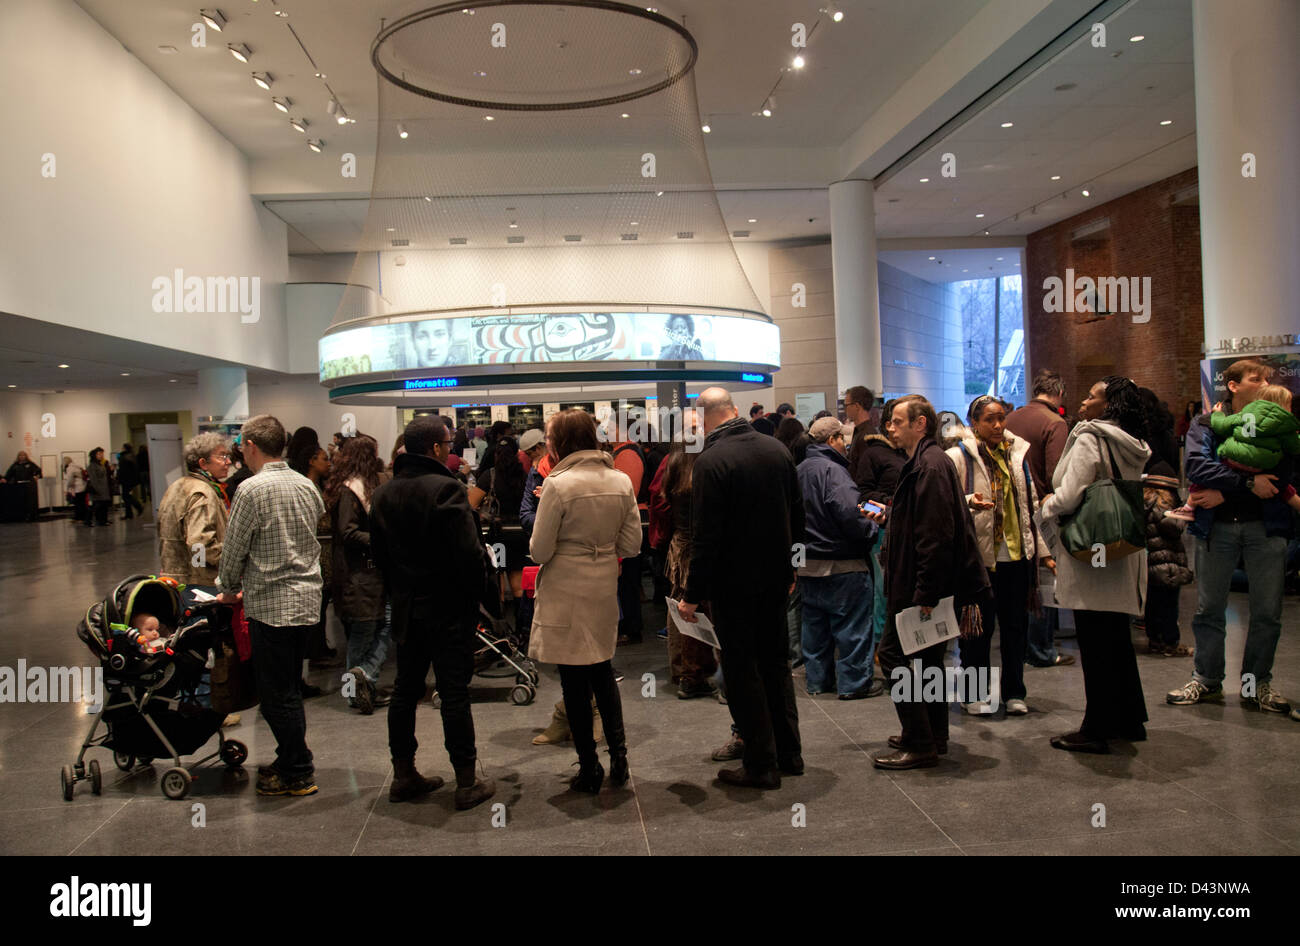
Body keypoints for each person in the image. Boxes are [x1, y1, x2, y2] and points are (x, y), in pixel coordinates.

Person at [677, 387, 804, 789]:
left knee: (742, 671)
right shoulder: (776, 450)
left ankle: (761, 764)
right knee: (776, 665)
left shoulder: (712, 461)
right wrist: (792, 571)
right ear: (734, 410)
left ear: (703, 417)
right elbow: (797, 517)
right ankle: (790, 754)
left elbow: (706, 538)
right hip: (775, 580)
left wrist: (691, 595)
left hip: (733, 585)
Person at [369, 415, 496, 808]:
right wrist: (482, 599)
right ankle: (466, 781)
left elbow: (380, 556)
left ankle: (403, 773)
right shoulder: (447, 489)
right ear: (436, 449)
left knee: (406, 691)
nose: (451, 448)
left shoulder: (383, 495)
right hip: (448, 609)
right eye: (447, 443)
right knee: (454, 692)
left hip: (407, 607)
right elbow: (469, 555)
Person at [871, 395, 991, 769]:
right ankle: (932, 735)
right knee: (927, 660)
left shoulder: (929, 465)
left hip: (918, 585)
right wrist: (890, 516)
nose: (890, 427)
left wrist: (925, 591)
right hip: (922, 581)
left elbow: (936, 534)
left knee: (895, 656)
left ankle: (920, 740)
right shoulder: (927, 462)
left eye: (896, 421)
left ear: (920, 423)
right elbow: (923, 523)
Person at [1168, 359, 1293, 714]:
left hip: (1266, 527)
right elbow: (1197, 466)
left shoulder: (1276, 424)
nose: (1265, 383)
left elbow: (1283, 471)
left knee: (1267, 612)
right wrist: (1250, 483)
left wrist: (1227, 491)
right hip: (1216, 527)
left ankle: (1256, 686)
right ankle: (1206, 681)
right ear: (1234, 386)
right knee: (1208, 609)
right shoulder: (1207, 423)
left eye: (1268, 378)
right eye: (1257, 379)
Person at [528, 409, 641, 792]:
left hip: (565, 589)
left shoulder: (558, 485)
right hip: (603, 587)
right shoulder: (621, 480)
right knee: (603, 672)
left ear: (559, 442)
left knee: (574, 682)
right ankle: (620, 758)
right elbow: (631, 544)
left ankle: (590, 767)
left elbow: (540, 551)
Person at [1040, 377, 1152, 753]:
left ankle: (1097, 728)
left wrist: (1046, 507)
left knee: (1096, 645)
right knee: (1117, 640)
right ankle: (1129, 719)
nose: (1084, 401)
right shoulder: (1134, 443)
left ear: (1110, 405)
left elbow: (1070, 495)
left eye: (1092, 395)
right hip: (1121, 551)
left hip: (1092, 553)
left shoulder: (1091, 437)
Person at [216, 415, 325, 796]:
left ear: (250, 446)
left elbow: (234, 549)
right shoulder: (306, 485)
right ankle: (289, 759)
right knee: (289, 687)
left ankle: (298, 768)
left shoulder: (250, 490)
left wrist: (227, 587)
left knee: (277, 694)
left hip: (272, 604)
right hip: (307, 600)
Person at [944, 396, 1053, 717]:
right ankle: (974, 693)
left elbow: (1030, 506)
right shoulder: (958, 456)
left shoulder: (1017, 455)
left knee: (1015, 627)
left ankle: (1015, 692)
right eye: (989, 419)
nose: (997, 425)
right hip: (979, 560)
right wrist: (968, 501)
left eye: (1001, 418)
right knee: (977, 629)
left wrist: (1044, 552)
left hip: (1017, 557)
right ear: (974, 422)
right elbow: (947, 501)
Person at [797, 417, 880, 699]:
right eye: (842, 439)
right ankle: (854, 684)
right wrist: (872, 528)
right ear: (832, 440)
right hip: (843, 564)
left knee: (814, 631)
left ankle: (817, 682)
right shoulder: (835, 472)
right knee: (852, 629)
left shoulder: (797, 471)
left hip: (806, 565)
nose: (845, 444)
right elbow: (849, 514)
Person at [1006, 369, 1075, 669]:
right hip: (1041, 511)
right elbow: (1055, 475)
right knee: (1044, 581)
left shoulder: (1009, 419)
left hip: (1010, 508)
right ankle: (1041, 649)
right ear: (1059, 394)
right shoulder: (1055, 423)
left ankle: (1021, 645)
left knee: (1022, 581)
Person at [652, 408, 720, 699]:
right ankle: (724, 679)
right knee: (716, 612)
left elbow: (659, 503)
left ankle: (687, 674)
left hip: (679, 550)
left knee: (682, 612)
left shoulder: (672, 466)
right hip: (709, 549)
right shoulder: (711, 466)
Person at [326, 434, 390, 716]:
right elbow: (348, 531)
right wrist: (381, 540)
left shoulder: (356, 486)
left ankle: (364, 676)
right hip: (360, 575)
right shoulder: (351, 490)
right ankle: (357, 688)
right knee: (365, 631)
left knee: (383, 625)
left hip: (368, 574)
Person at [1168, 384, 1300, 520]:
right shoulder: (1286, 425)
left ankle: (1188, 508)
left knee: (1208, 478)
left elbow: (1222, 425)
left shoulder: (1247, 415)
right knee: (1277, 484)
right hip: (1264, 463)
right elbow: (1294, 447)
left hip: (1234, 457)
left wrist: (1217, 414)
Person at [157, 433, 231, 585]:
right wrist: (231, 559)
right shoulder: (202, 493)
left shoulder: (177, 486)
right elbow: (199, 543)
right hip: (198, 583)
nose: (228, 462)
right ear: (203, 463)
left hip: (174, 577)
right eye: (222, 456)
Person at [1142, 457, 1194, 656]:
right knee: (1169, 606)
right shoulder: (1163, 504)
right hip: (1168, 565)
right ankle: (1171, 643)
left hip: (1150, 563)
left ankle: (1154, 640)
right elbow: (1172, 528)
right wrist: (1185, 513)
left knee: (1152, 605)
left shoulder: (1143, 501)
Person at [843, 386, 878, 475]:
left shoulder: (867, 435)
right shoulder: (860, 431)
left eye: (846, 405)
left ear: (856, 406)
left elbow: (866, 472)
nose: (845, 409)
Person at [86, 447, 114, 527]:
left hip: (104, 488)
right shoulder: (92, 465)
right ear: (94, 455)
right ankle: (89, 521)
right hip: (98, 490)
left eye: (102, 454)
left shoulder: (101, 464)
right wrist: (97, 489)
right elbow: (94, 479)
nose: (101, 455)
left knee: (103, 506)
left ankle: (102, 521)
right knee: (95, 506)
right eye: (99, 454)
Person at [116, 444, 144, 520]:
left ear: (124, 448)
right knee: (127, 496)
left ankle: (137, 508)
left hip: (125, 480)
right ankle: (130, 513)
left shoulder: (123, 457)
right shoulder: (132, 456)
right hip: (131, 480)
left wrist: (118, 479)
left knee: (126, 496)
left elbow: (122, 470)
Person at [64, 457, 88, 523]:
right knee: (82, 502)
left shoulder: (70, 468)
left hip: (77, 487)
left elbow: (69, 479)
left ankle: (80, 518)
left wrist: (67, 488)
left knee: (78, 503)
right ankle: (82, 517)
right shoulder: (78, 466)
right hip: (83, 485)